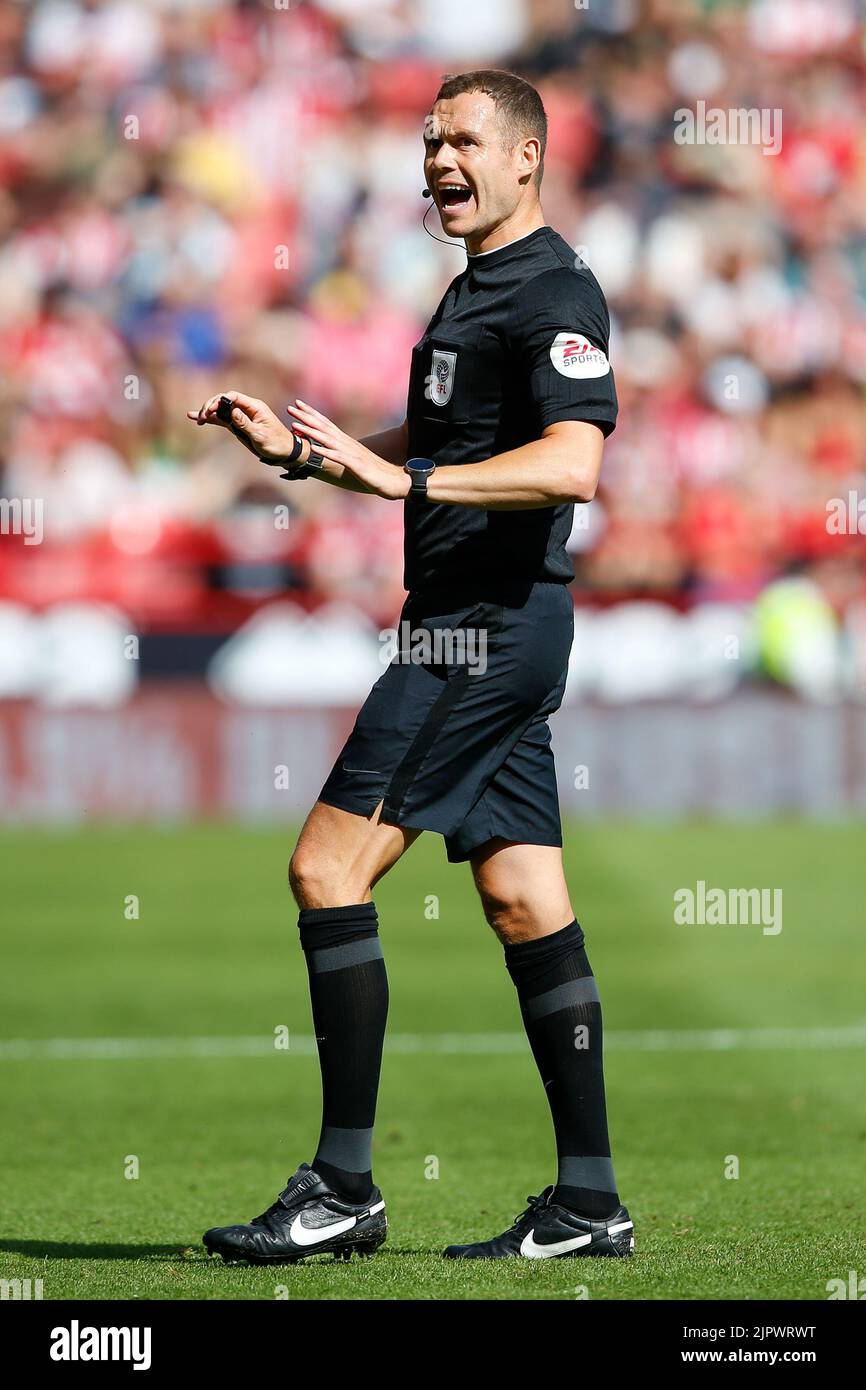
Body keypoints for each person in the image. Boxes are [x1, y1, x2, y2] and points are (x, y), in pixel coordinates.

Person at [191, 69, 632, 1264]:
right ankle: (588, 1202)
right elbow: (436, 441)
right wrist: (312, 453)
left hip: (475, 629)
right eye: (429, 140)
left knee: (327, 870)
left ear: (528, 157)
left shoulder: (553, 288)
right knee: (521, 896)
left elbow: (570, 461)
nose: (438, 159)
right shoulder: (472, 288)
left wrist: (413, 483)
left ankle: (341, 1188)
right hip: (475, 620)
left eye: (465, 141)